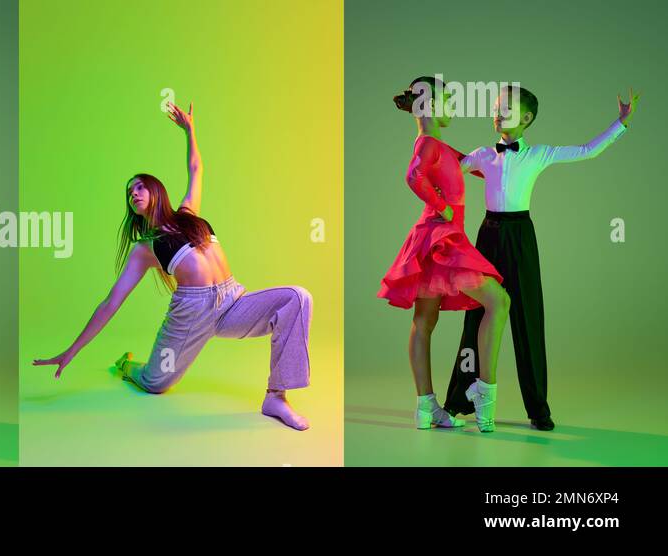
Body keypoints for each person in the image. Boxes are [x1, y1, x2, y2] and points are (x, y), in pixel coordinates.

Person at [33, 101, 313, 431]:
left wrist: (189, 130)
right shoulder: (145, 248)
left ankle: (276, 397)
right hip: (190, 316)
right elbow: (111, 303)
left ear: (155, 190)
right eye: (128, 193)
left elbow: (196, 169)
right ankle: (127, 365)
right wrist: (71, 351)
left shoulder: (188, 215)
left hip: (232, 302)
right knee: (154, 382)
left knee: (297, 298)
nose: (133, 193)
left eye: (139, 186)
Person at [442, 86, 638, 431]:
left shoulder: (539, 155)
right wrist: (425, 140)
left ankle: (538, 408)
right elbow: (447, 168)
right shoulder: (483, 154)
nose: (498, 113)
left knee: (528, 318)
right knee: (474, 316)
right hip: (486, 236)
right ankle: (459, 401)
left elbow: (586, 151)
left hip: (521, 237)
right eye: (496, 107)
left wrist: (620, 123)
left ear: (527, 118)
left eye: (507, 108)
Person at [378, 76, 510, 432]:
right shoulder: (428, 145)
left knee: (425, 322)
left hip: (431, 237)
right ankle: (485, 393)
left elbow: (475, 165)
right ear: (431, 106)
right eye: (449, 101)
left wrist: (508, 161)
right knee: (498, 301)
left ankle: (426, 407)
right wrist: (443, 207)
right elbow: (413, 176)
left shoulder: (437, 145)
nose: (453, 107)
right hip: (443, 238)